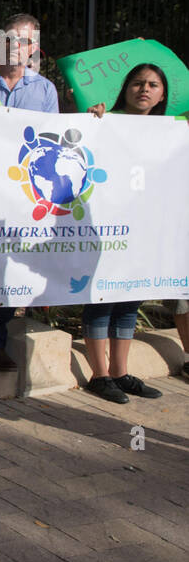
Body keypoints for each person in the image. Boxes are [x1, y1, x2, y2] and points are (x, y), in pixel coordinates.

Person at [0, 14, 57, 372]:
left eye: (25, 41)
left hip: (20, 193)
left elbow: (52, 138)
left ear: (35, 48)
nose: (17, 47)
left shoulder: (45, 90)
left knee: (6, 264)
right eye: (10, 39)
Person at [79, 63, 170, 403]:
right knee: (101, 297)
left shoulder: (170, 131)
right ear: (126, 89)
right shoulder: (104, 121)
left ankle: (120, 373)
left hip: (145, 229)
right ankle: (99, 376)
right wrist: (91, 120)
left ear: (162, 94)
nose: (144, 89)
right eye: (137, 83)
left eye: (152, 84)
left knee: (130, 299)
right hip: (105, 226)